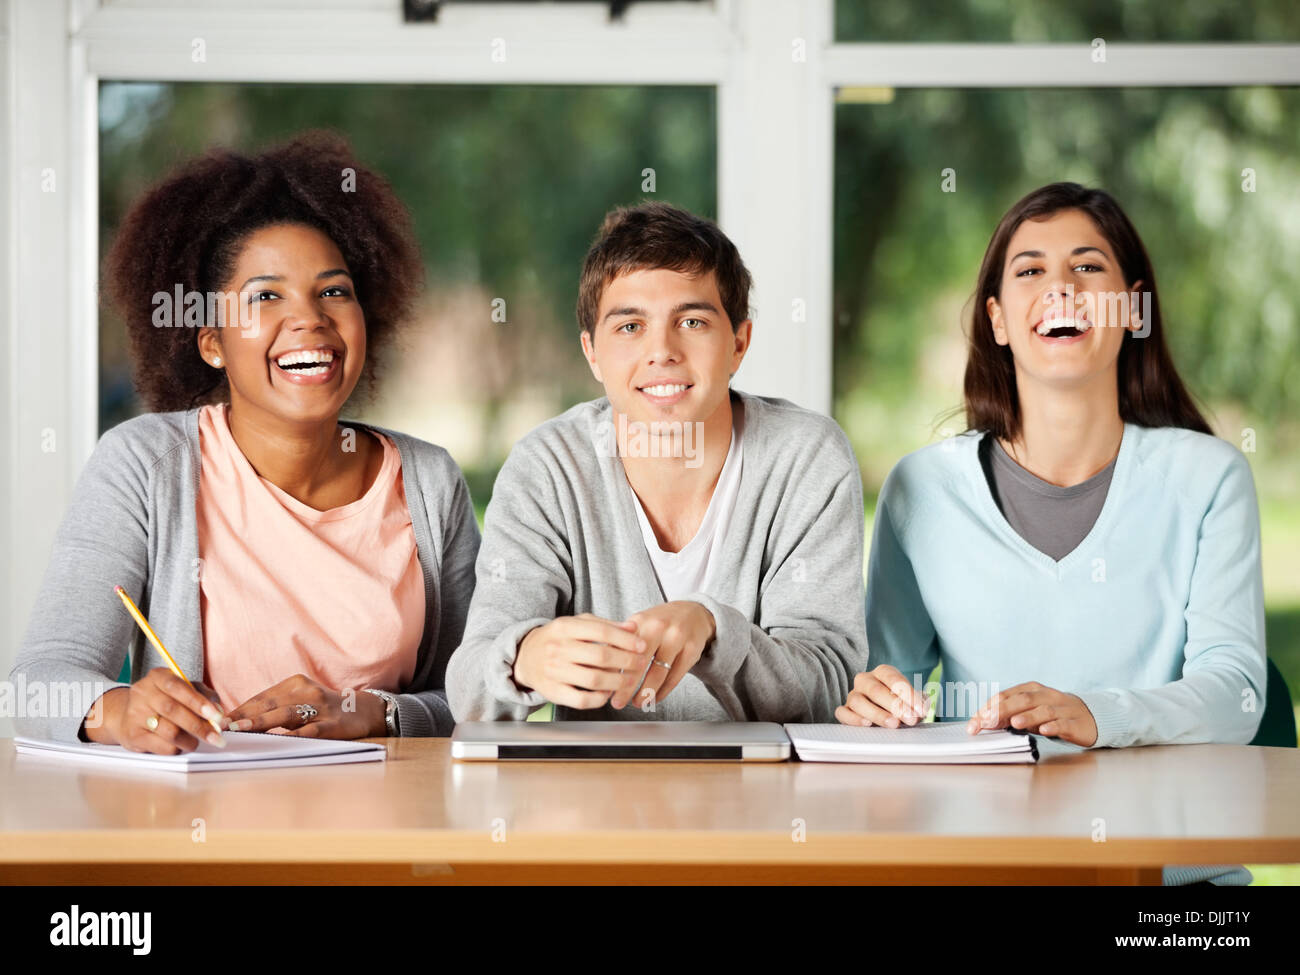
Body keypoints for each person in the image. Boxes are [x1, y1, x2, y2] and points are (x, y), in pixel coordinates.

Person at [839, 181, 1265, 884]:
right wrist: (875, 703)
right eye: (1031, 270)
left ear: (1132, 309)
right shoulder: (922, 491)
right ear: (999, 320)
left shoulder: (1209, 477)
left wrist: (1096, 714)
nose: (1061, 286)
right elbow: (894, 699)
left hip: (1177, 897)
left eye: (1087, 267)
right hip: (987, 872)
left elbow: (1238, 693)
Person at [10, 132, 479, 751]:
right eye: (265, 296)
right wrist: (120, 710)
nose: (310, 318)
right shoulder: (145, 466)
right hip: (202, 831)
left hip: (386, 834)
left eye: (334, 291)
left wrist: (375, 712)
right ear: (211, 342)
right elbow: (37, 682)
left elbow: (477, 696)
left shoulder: (428, 481)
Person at [447, 201, 867, 722]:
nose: (661, 350)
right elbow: (468, 690)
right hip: (598, 795)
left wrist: (714, 631)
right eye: (629, 327)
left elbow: (830, 689)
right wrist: (523, 660)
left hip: (764, 793)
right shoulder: (548, 468)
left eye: (691, 321)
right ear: (592, 353)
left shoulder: (805, 458)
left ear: (739, 343)